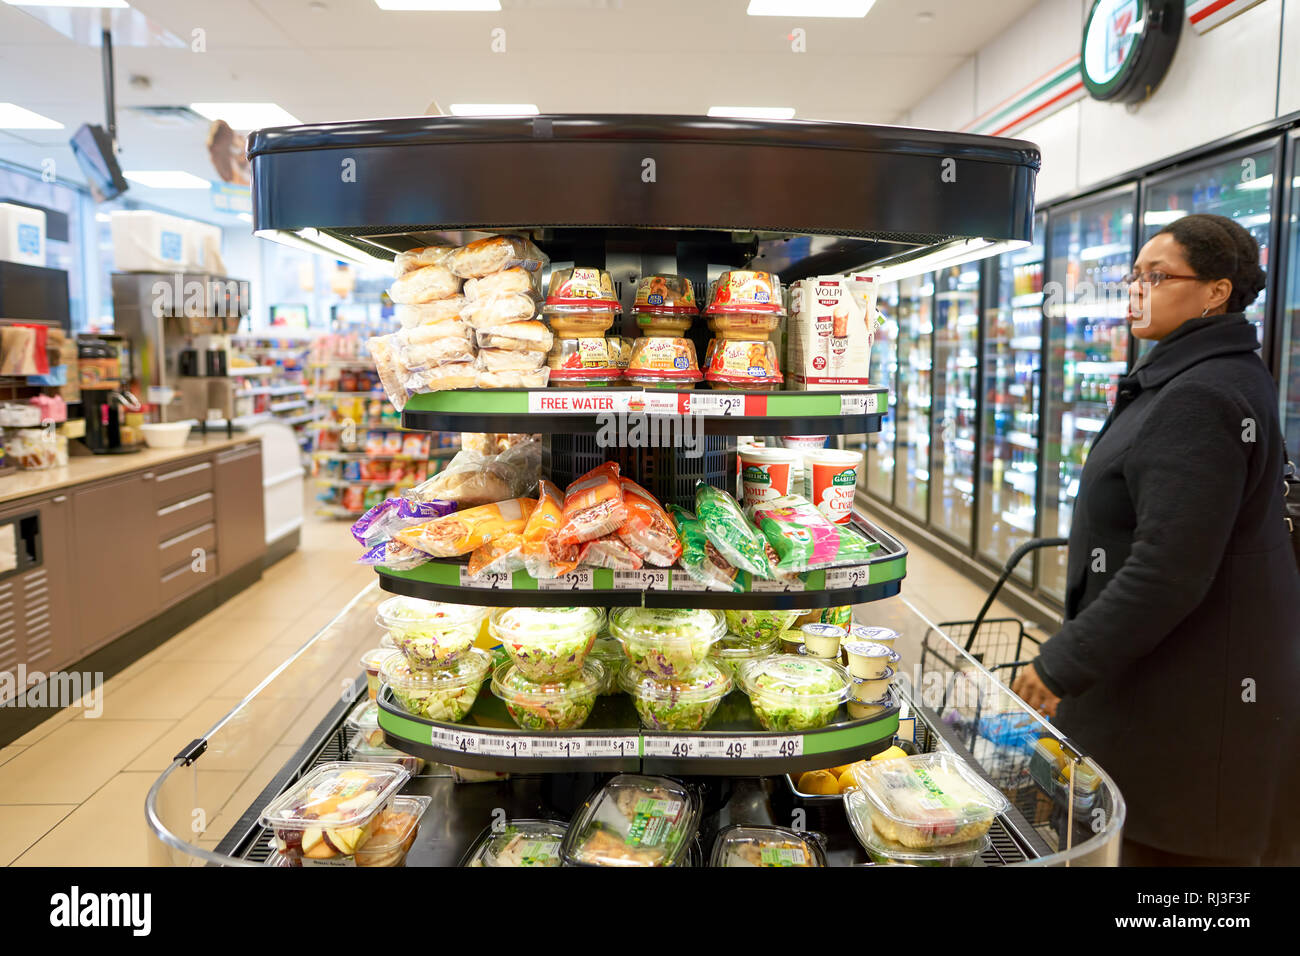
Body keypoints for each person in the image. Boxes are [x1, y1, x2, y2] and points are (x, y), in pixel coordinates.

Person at [1011, 213, 1300, 866]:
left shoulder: (1201, 396)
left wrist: (1060, 663)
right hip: (1185, 679)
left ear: (1215, 292)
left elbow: (1168, 571)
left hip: (1193, 708)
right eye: (1134, 275)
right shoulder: (1207, 372)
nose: (1136, 289)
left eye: (1158, 276)